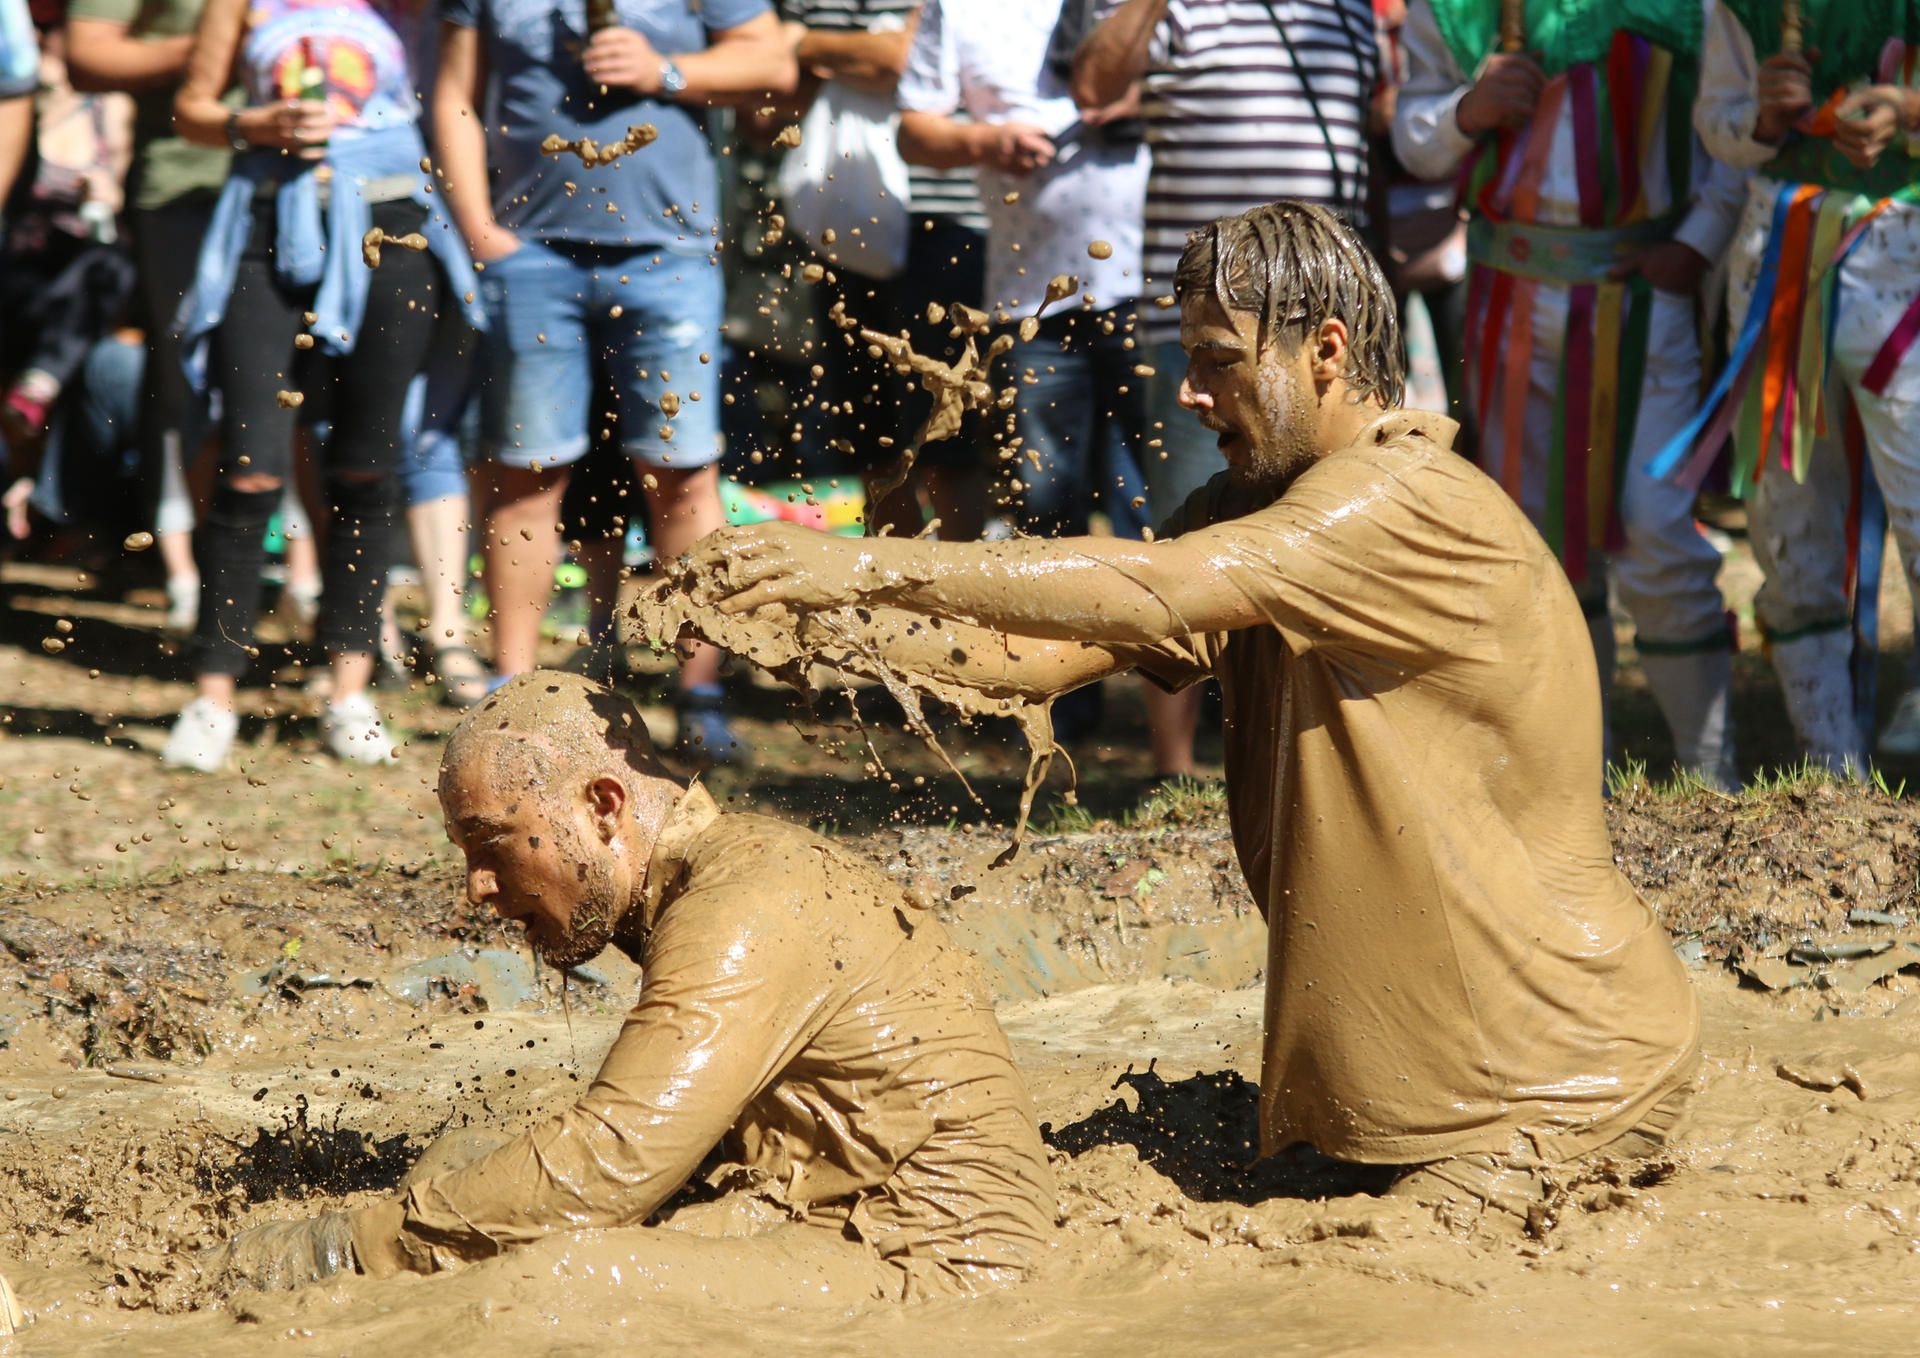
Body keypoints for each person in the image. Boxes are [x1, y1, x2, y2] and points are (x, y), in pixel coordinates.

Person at [670, 202, 1702, 1220]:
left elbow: (1155, 583)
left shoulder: (1397, 500)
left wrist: (861, 559)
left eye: (1218, 360)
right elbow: (1032, 652)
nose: (1192, 394)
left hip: (1563, 1084)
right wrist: (803, 616)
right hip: (1441, 1099)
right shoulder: (1256, 513)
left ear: (1325, 352)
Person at [205, 671, 1054, 1299]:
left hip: (943, 1272)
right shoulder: (719, 881)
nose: (477, 889)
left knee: (554, 1274)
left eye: (492, 845)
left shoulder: (744, 903)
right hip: (846, 1227)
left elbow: (612, 1162)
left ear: (603, 805)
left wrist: (333, 1251)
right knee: (475, 1182)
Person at [1391, 0, 1748, 791]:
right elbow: (1415, 139)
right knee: (1537, 546)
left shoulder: (1690, 7)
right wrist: (1468, 110)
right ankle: (1574, 781)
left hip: (1644, 302)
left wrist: (1698, 242)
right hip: (1510, 304)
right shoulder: (1449, 9)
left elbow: (1731, 124)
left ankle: (1714, 776)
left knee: (1659, 528)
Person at [433, 0, 795, 761]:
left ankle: (698, 695)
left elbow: (771, 63)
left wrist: (666, 71)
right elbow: (457, 92)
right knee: (526, 473)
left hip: (670, 254)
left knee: (682, 476)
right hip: (531, 254)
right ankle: (514, 700)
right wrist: (475, 227)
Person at [162, 0, 485, 771]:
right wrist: (256, 125)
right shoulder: (239, 5)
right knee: (251, 468)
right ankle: (212, 698)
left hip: (393, 227)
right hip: (266, 229)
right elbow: (191, 112)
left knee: (369, 468)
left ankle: (348, 690)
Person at [1070, 0, 1380, 778]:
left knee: (1339, 526)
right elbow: (1094, 82)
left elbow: (1378, 120)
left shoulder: (1343, 11)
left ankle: (1332, 751)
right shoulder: (1178, 12)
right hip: (1215, 335)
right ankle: (1173, 768)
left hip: (1329, 334)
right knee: (1190, 528)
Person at [894, 0, 1189, 763]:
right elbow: (913, 131)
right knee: (1043, 508)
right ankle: (1059, 707)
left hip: (1158, 291)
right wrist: (983, 139)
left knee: (1156, 504)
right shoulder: (956, 9)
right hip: (1033, 305)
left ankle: (1185, 707)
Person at [1683, 0, 1920, 768]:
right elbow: (1715, 120)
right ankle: (1829, 764)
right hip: (1774, 258)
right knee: (1788, 516)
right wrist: (1760, 119)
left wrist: (1909, 109)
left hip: (1906, 253)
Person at [66, 0, 227, 634]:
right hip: (184, 187)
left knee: (288, 392)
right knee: (182, 378)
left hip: (309, 190)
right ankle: (182, 568)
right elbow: (87, 52)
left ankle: (310, 583)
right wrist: (215, 46)